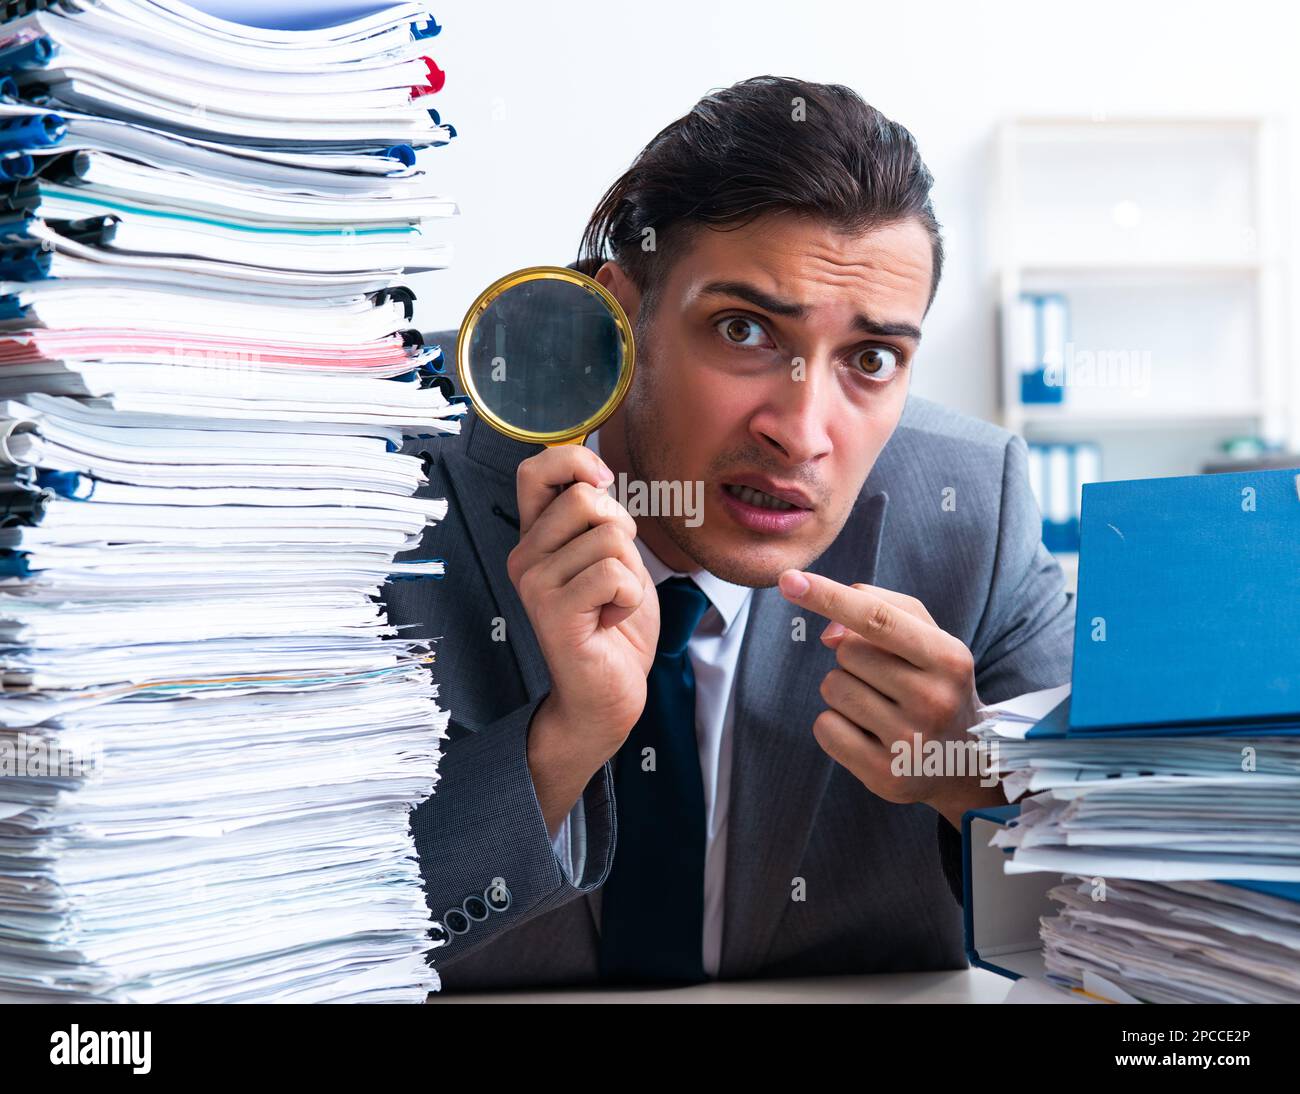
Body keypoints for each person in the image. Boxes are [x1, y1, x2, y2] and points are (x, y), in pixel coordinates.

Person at [385, 75, 1074, 991]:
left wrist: (969, 779)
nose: (801, 429)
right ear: (619, 317)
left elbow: (1127, 933)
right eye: (745, 329)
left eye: (871, 360)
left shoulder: (971, 512)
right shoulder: (379, 489)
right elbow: (255, 934)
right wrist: (564, 739)